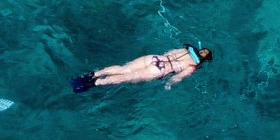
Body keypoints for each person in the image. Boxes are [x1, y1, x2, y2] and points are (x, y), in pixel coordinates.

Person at [71, 45, 212, 92]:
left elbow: (169, 52)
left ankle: (93, 74)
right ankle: (93, 83)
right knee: (126, 77)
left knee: (123, 68)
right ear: (203, 60)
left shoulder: (185, 49)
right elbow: (178, 77)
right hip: (159, 70)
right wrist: (169, 84)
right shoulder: (193, 66)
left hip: (155, 58)